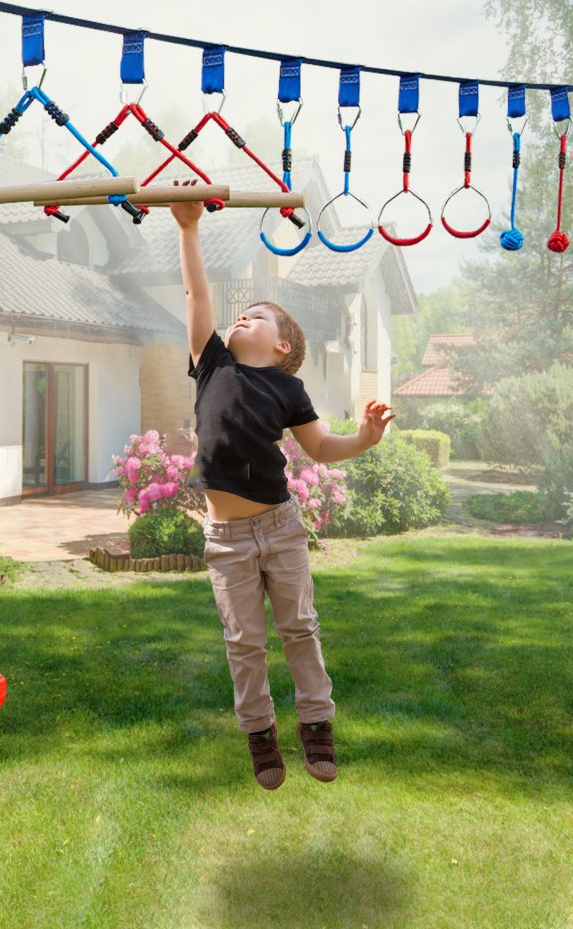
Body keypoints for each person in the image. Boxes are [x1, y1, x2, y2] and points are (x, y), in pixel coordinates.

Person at [170, 192, 394, 790]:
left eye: (259, 316)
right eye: (243, 313)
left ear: (282, 347)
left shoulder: (287, 391)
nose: (243, 317)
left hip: (278, 526)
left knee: (299, 629)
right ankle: (260, 736)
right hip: (226, 538)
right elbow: (198, 296)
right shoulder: (212, 362)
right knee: (244, 641)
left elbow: (320, 447)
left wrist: (365, 439)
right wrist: (189, 231)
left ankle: (316, 725)